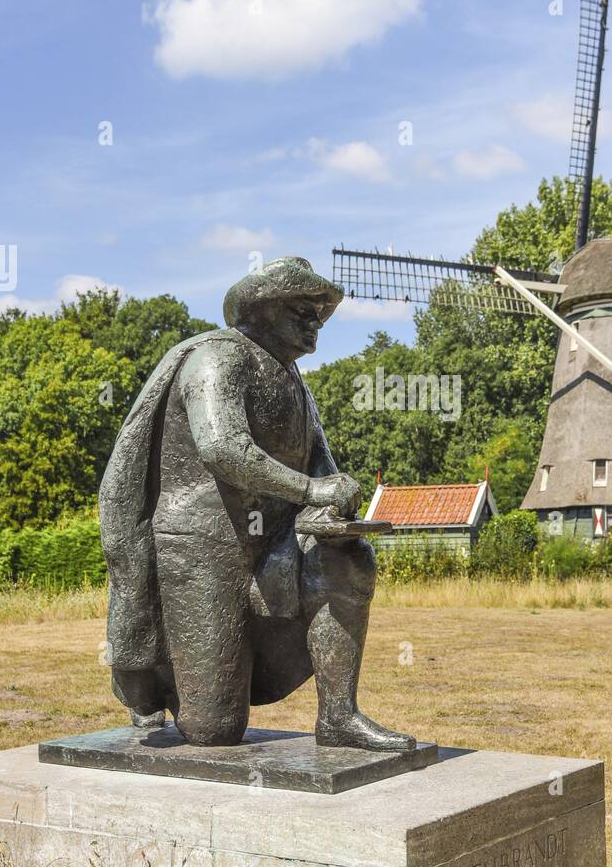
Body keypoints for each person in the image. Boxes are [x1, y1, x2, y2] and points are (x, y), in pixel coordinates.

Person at [99, 256, 414, 752]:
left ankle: (338, 717)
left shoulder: (293, 380)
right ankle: (157, 687)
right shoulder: (218, 357)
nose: (317, 322)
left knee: (346, 559)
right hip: (201, 544)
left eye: (321, 312)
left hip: (273, 535)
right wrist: (313, 492)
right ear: (264, 310)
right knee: (214, 731)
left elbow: (318, 459)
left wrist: (335, 495)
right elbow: (223, 447)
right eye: (305, 309)